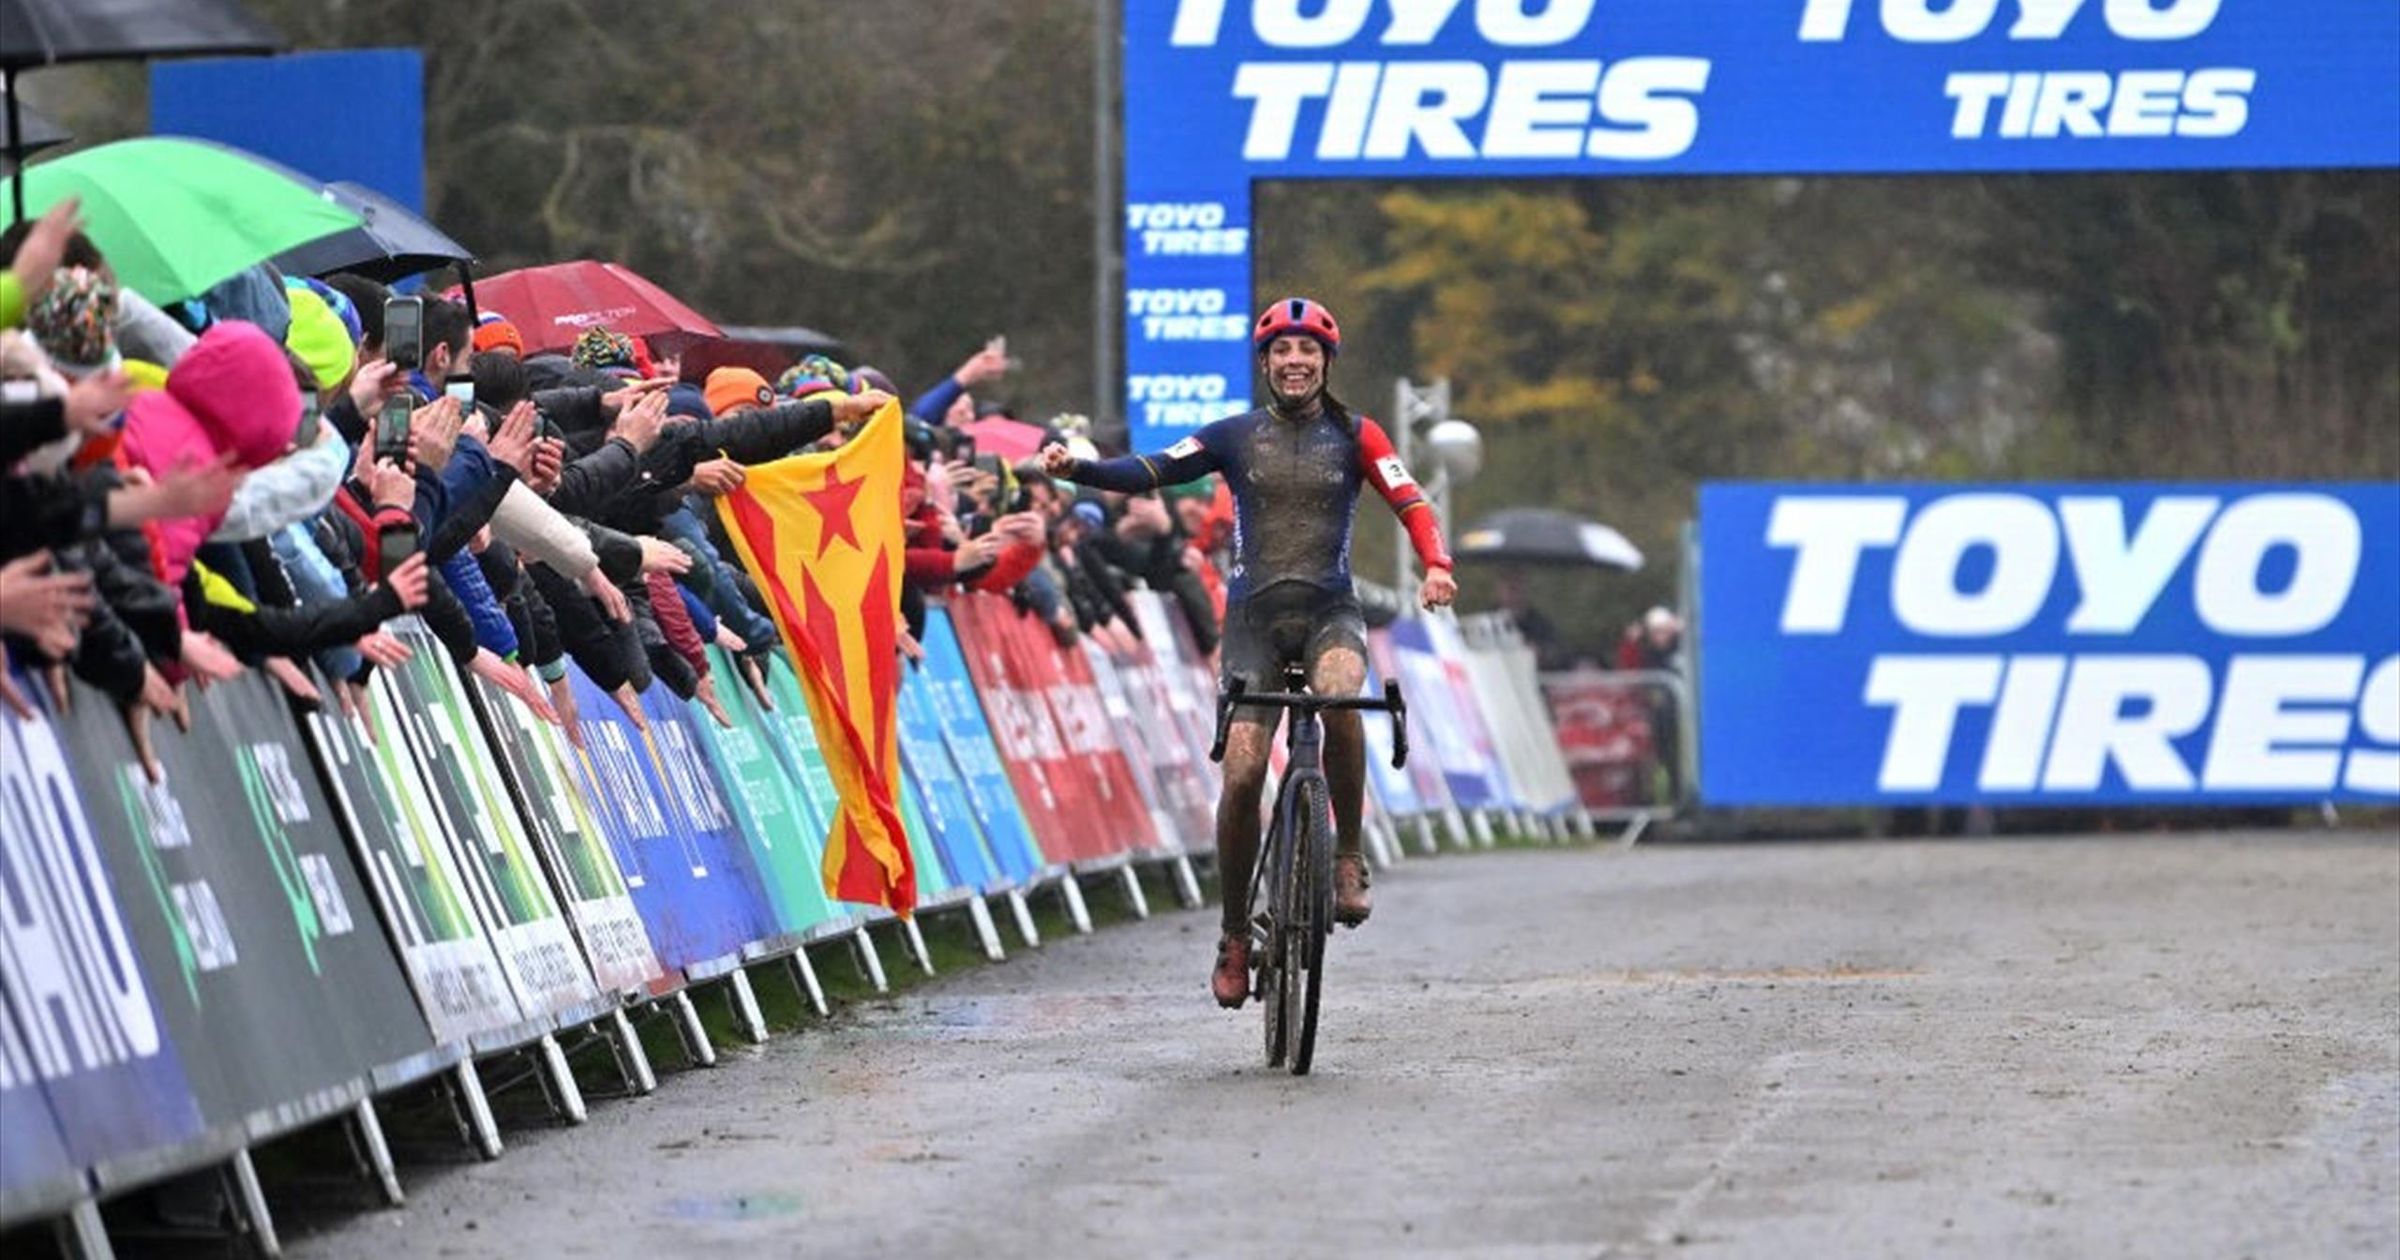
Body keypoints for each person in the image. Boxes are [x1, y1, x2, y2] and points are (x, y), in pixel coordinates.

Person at [1041, 296, 1456, 1009]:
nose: (1296, 362)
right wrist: (1080, 469)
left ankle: (1348, 854)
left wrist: (1437, 563)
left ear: (1326, 363)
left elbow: (1410, 499)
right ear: (1265, 364)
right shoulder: (1234, 437)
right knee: (1239, 777)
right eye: (1282, 352)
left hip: (1330, 610)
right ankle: (1236, 934)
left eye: (1309, 352)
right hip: (1253, 622)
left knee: (1339, 697)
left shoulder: (1359, 435)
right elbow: (1153, 470)